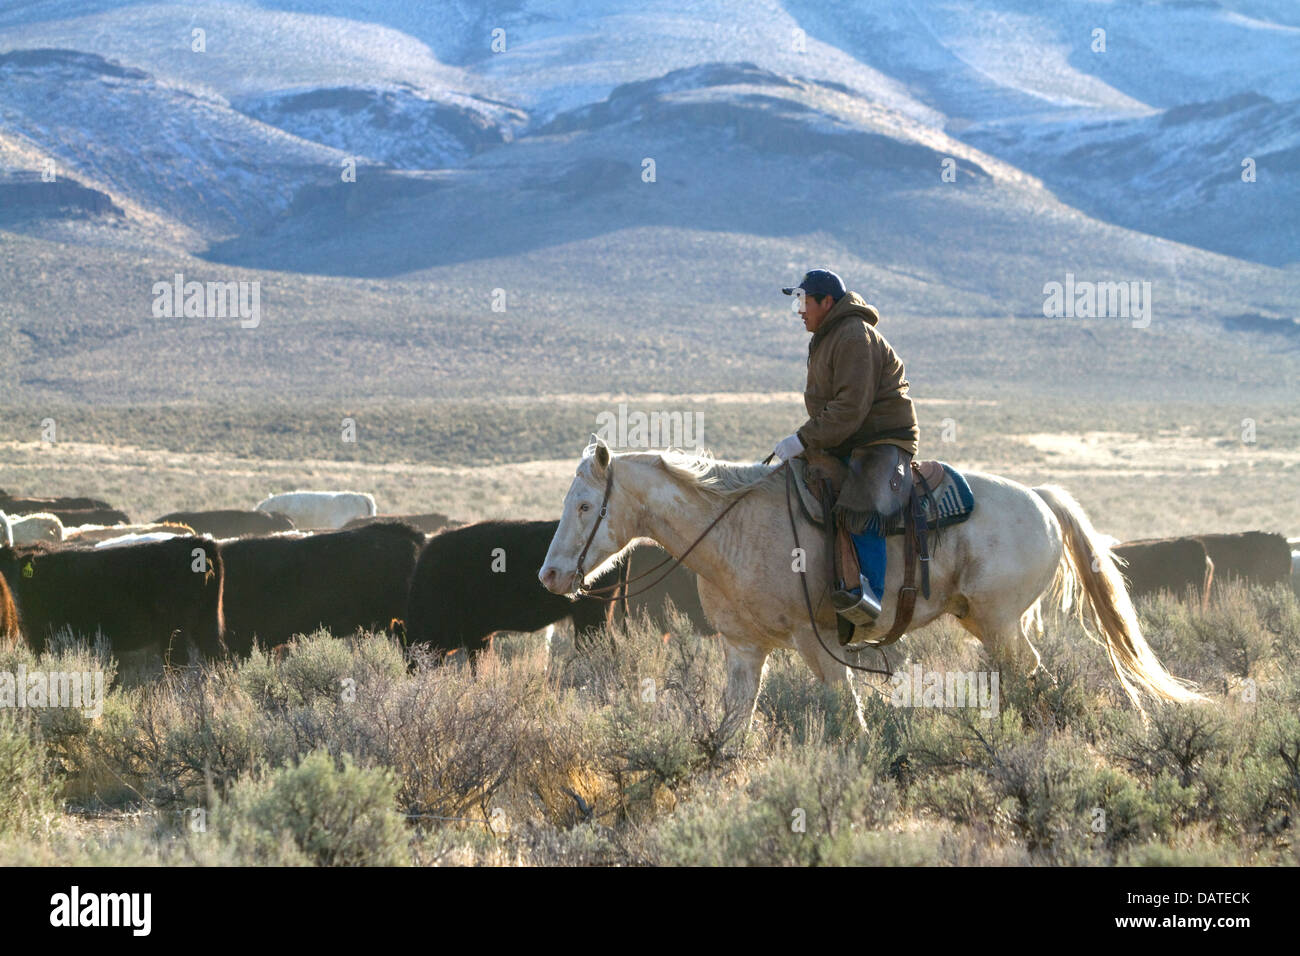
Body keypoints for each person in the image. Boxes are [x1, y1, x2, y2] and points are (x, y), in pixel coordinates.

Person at [772, 269, 919, 638]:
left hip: (881, 439)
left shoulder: (854, 335)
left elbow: (850, 408)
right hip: (848, 439)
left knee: (862, 502)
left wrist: (803, 440)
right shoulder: (827, 336)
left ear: (827, 302)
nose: (799, 310)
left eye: (805, 302)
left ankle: (866, 602)